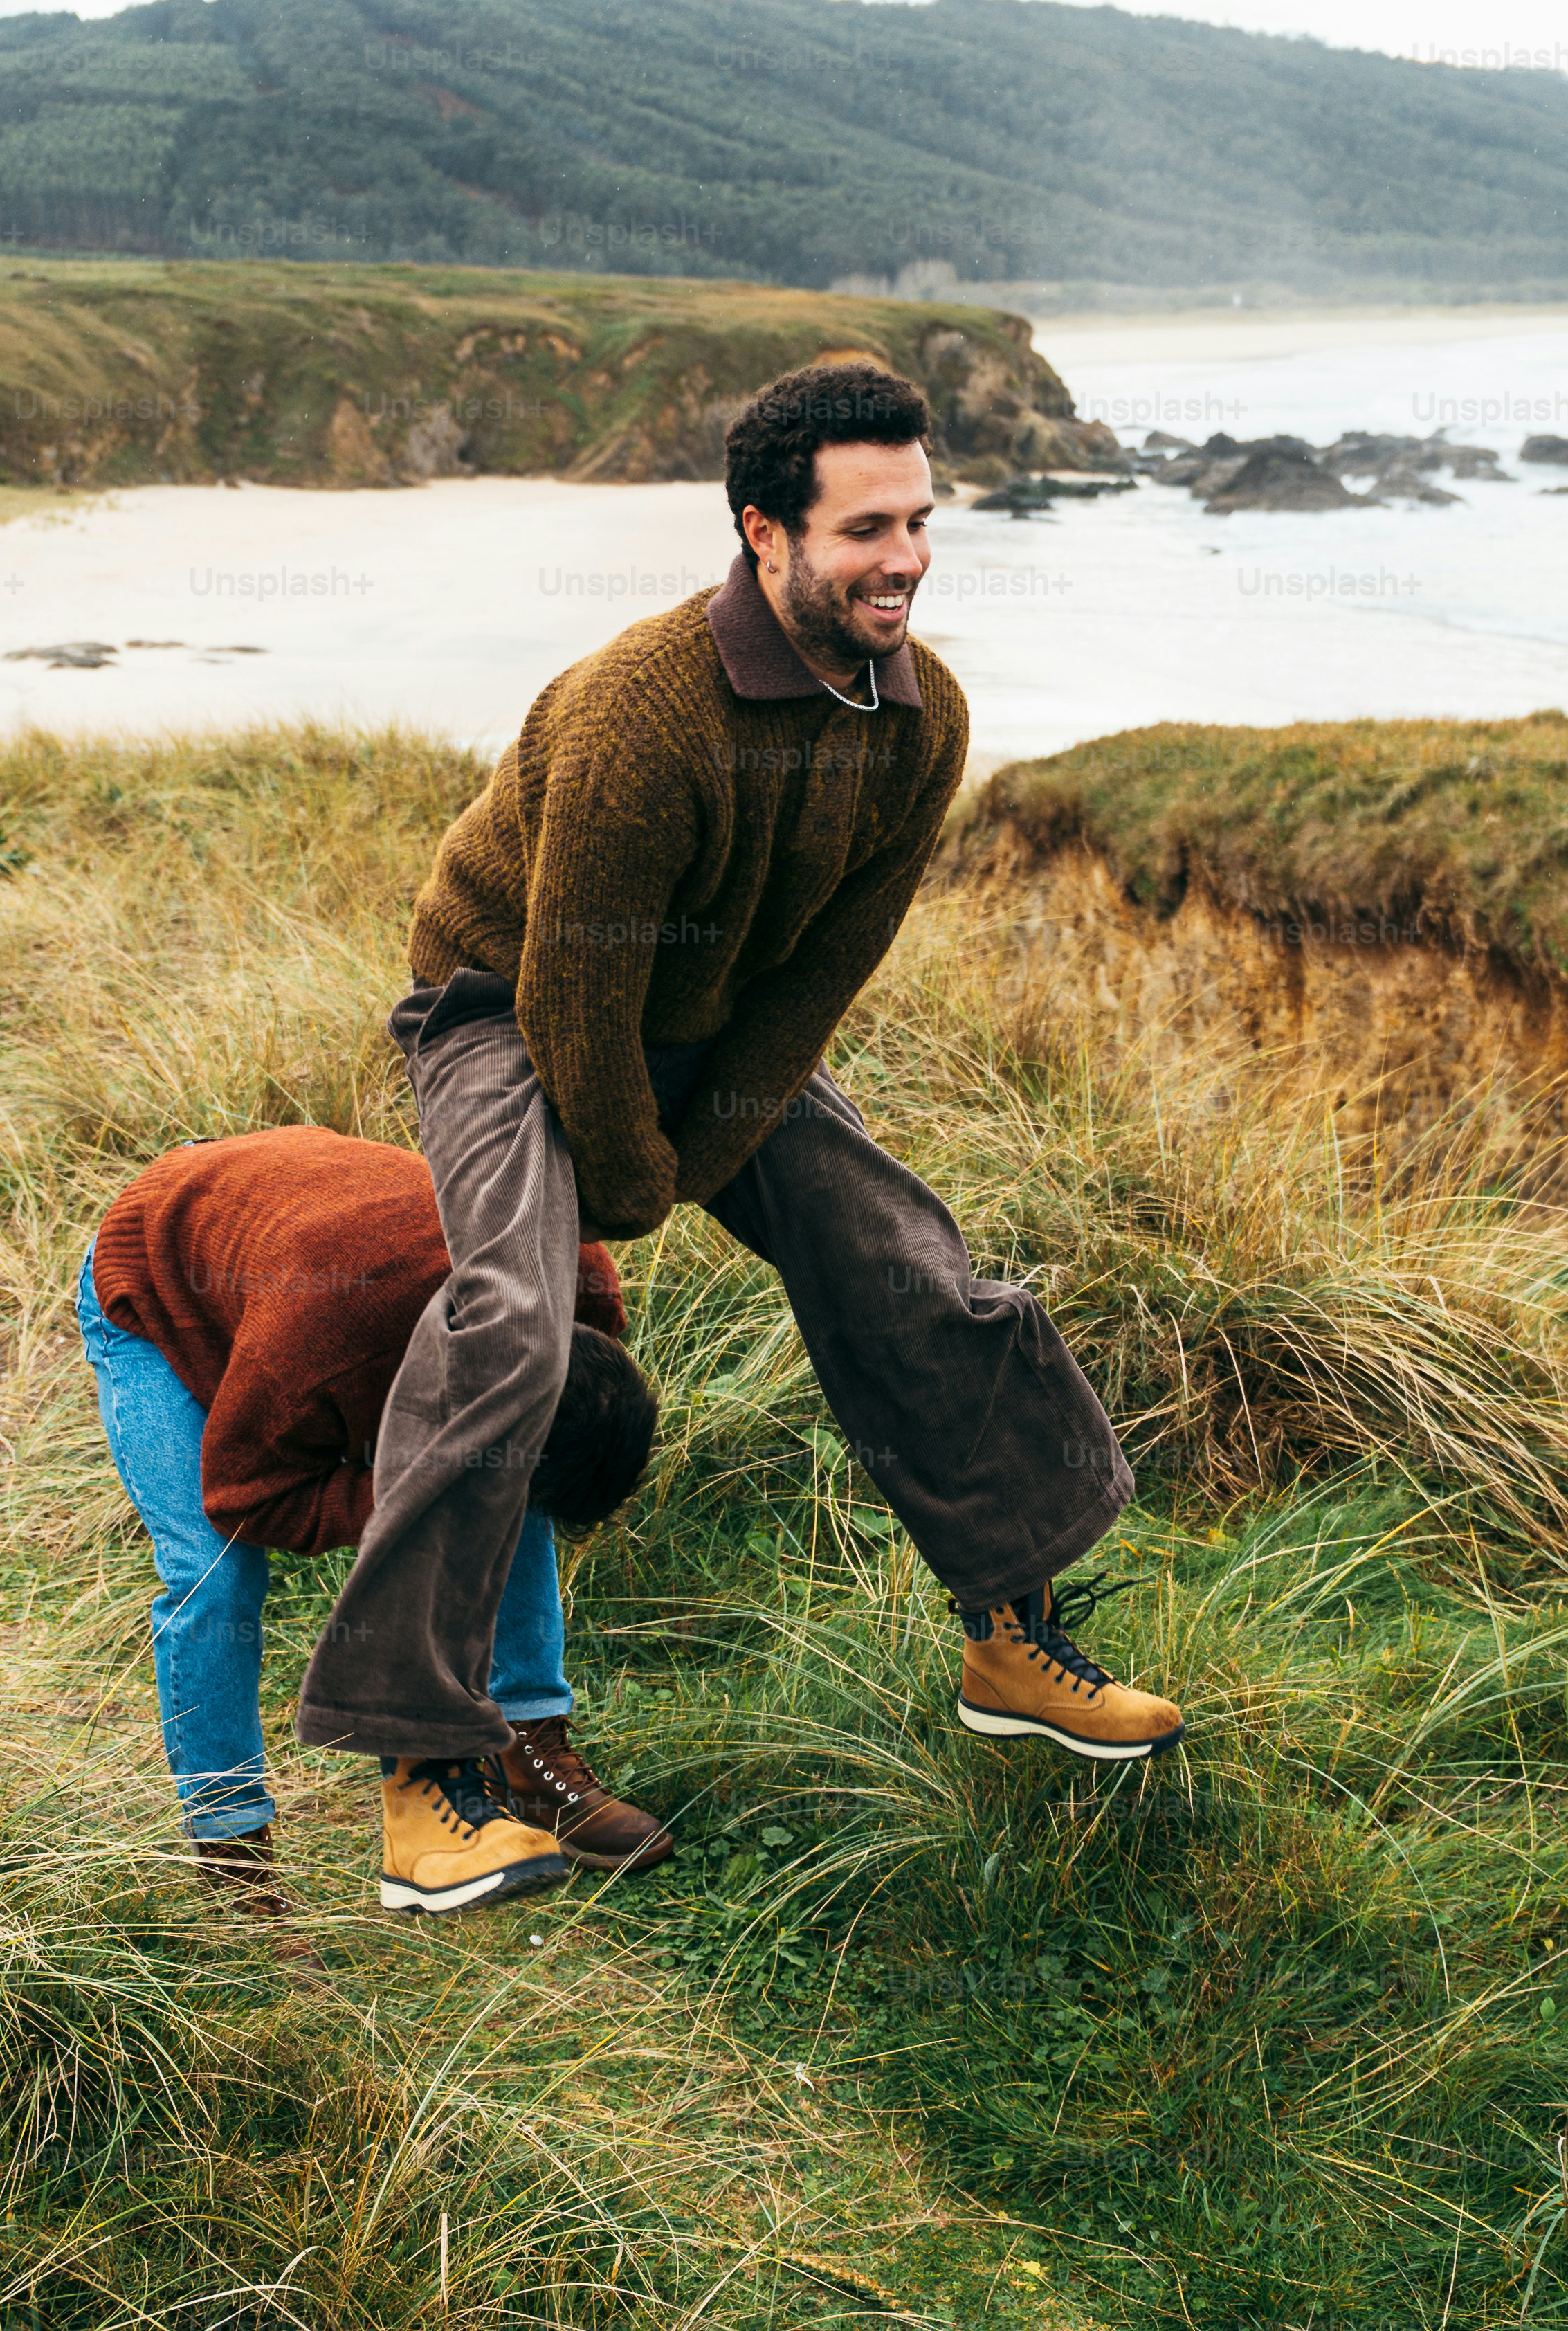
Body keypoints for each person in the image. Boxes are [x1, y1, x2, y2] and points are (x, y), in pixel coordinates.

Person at [294, 359, 1186, 1916]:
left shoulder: (923, 720)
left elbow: (823, 972)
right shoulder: (645, 710)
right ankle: (421, 1772)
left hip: (718, 1024)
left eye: (917, 519)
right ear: (764, 534)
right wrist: (636, 1179)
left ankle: (1010, 1632)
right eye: (863, 529)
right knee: (511, 1320)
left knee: (910, 1266)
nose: (901, 556)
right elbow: (575, 995)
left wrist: (716, 1131)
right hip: (506, 1003)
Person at [82, 1125, 671, 1920]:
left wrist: (464, 1492)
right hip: (159, 1273)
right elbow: (249, 1494)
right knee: (213, 1577)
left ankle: (528, 1754)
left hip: (308, 1230)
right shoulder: (318, 1346)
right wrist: (410, 1495)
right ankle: (232, 1858)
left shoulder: (580, 1284)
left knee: (514, 1483)